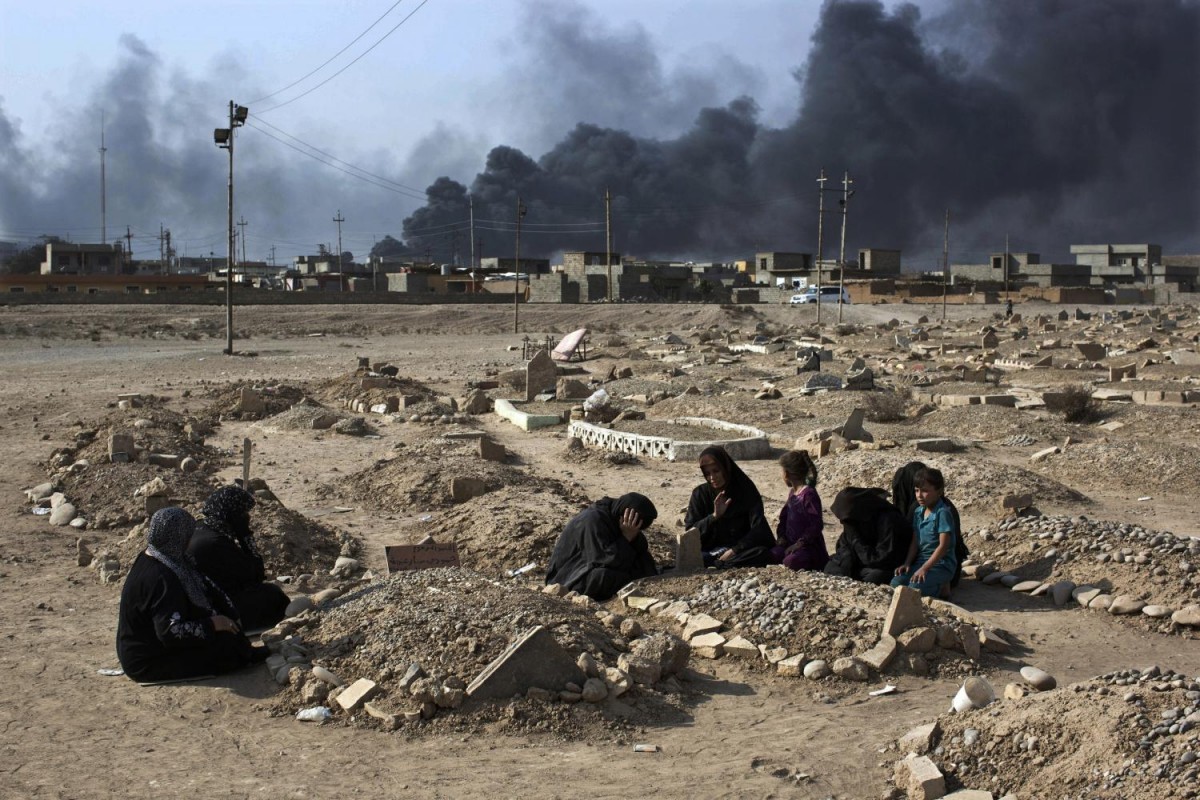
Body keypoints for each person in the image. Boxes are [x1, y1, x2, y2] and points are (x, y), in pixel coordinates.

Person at [117, 507, 264, 683]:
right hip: (147, 661)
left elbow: (207, 587)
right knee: (227, 648)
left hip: (150, 648)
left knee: (229, 635)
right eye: (187, 536)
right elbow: (169, 632)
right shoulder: (161, 577)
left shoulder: (163, 557)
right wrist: (213, 624)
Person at [187, 485, 289, 631]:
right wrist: (245, 536)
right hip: (210, 610)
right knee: (272, 594)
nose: (246, 517)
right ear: (231, 514)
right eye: (242, 513)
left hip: (194, 602)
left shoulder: (200, 527)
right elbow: (255, 575)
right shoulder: (216, 543)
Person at [545, 493, 659, 601]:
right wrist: (627, 536)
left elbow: (640, 548)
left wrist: (631, 535)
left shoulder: (616, 517)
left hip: (597, 563)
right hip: (570, 575)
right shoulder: (593, 520)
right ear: (627, 515)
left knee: (644, 561)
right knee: (604, 576)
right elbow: (602, 559)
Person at [685, 445, 774, 568]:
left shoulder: (745, 490)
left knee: (762, 553)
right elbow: (690, 532)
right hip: (710, 551)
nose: (712, 477)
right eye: (707, 473)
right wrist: (714, 516)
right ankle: (720, 563)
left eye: (716, 471)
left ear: (725, 468)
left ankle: (722, 563)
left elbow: (759, 529)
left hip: (740, 550)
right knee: (700, 557)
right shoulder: (700, 494)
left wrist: (735, 550)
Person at [891, 468, 959, 598]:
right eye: (917, 490)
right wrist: (907, 563)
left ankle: (943, 587)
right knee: (896, 583)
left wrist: (925, 568)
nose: (919, 495)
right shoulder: (918, 511)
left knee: (914, 590)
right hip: (921, 562)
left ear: (939, 492)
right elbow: (915, 540)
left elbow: (943, 546)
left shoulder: (942, 513)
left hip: (941, 564)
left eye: (925, 491)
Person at [824, 486, 912, 584]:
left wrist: (856, 541)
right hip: (859, 564)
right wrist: (847, 562)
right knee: (831, 566)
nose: (842, 522)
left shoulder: (889, 520)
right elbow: (843, 546)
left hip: (880, 566)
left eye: (845, 519)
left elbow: (882, 559)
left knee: (877, 576)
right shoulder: (854, 520)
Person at [770, 450, 828, 571]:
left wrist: (800, 544)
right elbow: (784, 517)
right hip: (790, 544)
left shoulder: (809, 495)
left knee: (791, 561)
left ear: (786, 473)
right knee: (773, 554)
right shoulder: (793, 493)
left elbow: (816, 525)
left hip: (807, 547)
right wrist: (781, 537)